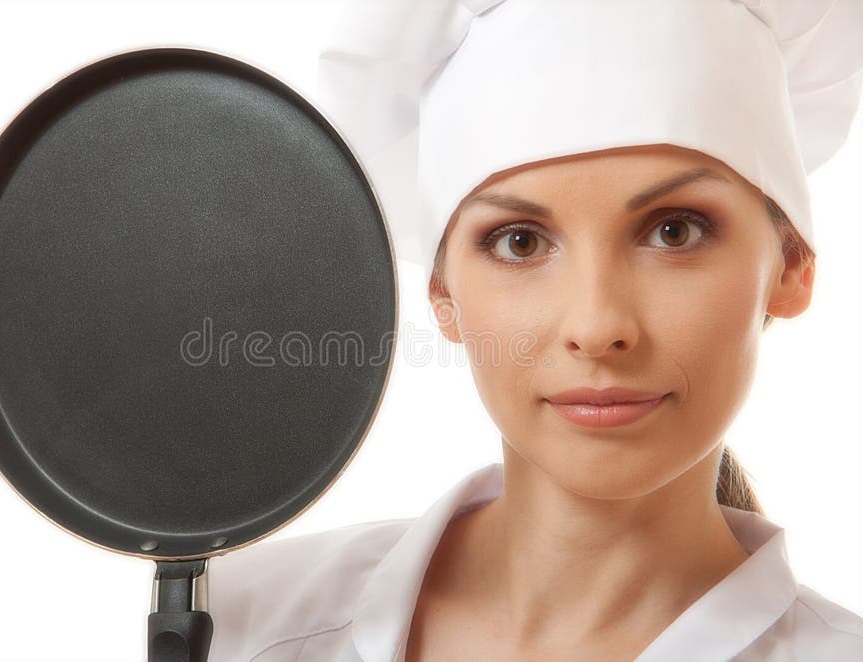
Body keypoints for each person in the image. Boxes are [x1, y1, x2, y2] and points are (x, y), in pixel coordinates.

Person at [207, 0, 863, 660]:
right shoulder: (242, 625)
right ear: (444, 294)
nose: (598, 325)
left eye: (674, 231)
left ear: (793, 264)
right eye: (520, 243)